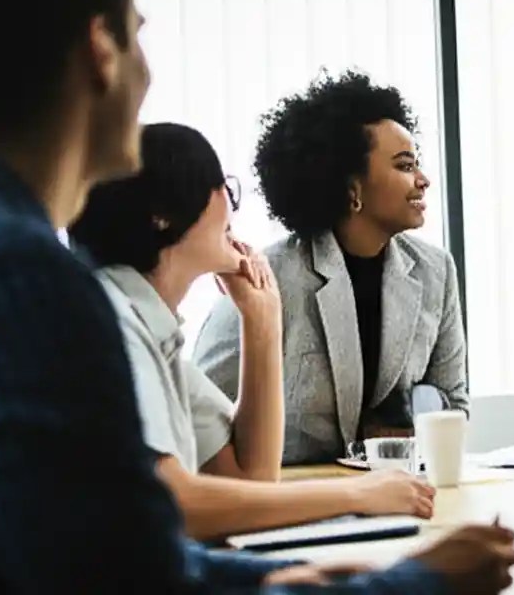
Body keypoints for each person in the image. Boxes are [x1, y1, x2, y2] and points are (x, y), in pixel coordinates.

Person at [0, 0, 514, 593]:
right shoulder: (29, 280)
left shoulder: (25, 264)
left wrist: (280, 578)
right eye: (138, 33)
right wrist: (405, 586)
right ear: (99, 50)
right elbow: (129, 572)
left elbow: (119, 538)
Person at [69, 122, 437, 541]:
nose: (230, 203)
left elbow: (251, 480)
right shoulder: (113, 324)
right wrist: (355, 493)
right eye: (218, 184)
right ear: (162, 215)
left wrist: (262, 320)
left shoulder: (149, 332)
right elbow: (168, 506)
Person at [196, 70, 469, 465]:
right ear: (352, 189)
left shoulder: (434, 270)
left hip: (395, 488)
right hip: (287, 493)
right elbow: (201, 410)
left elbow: (454, 403)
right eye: (405, 165)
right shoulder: (267, 274)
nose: (423, 180)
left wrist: (411, 420)